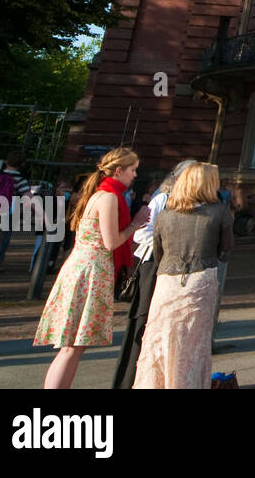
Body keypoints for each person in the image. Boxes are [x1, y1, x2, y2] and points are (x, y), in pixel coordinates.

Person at [34, 148, 151, 389]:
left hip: (85, 268)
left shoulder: (103, 194)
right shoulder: (108, 197)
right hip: (90, 271)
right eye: (132, 170)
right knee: (72, 347)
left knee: (73, 347)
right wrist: (136, 223)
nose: (135, 175)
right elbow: (111, 241)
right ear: (119, 171)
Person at [132, 163, 233, 389]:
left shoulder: (166, 213)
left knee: (160, 339)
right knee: (193, 344)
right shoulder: (219, 211)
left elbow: (158, 252)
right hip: (201, 277)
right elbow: (227, 247)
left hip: (167, 280)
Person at [113, 158, 198, 389]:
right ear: (179, 178)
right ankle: (127, 381)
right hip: (152, 266)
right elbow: (140, 232)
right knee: (142, 323)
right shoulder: (163, 198)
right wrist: (169, 245)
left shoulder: (195, 204)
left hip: (173, 272)